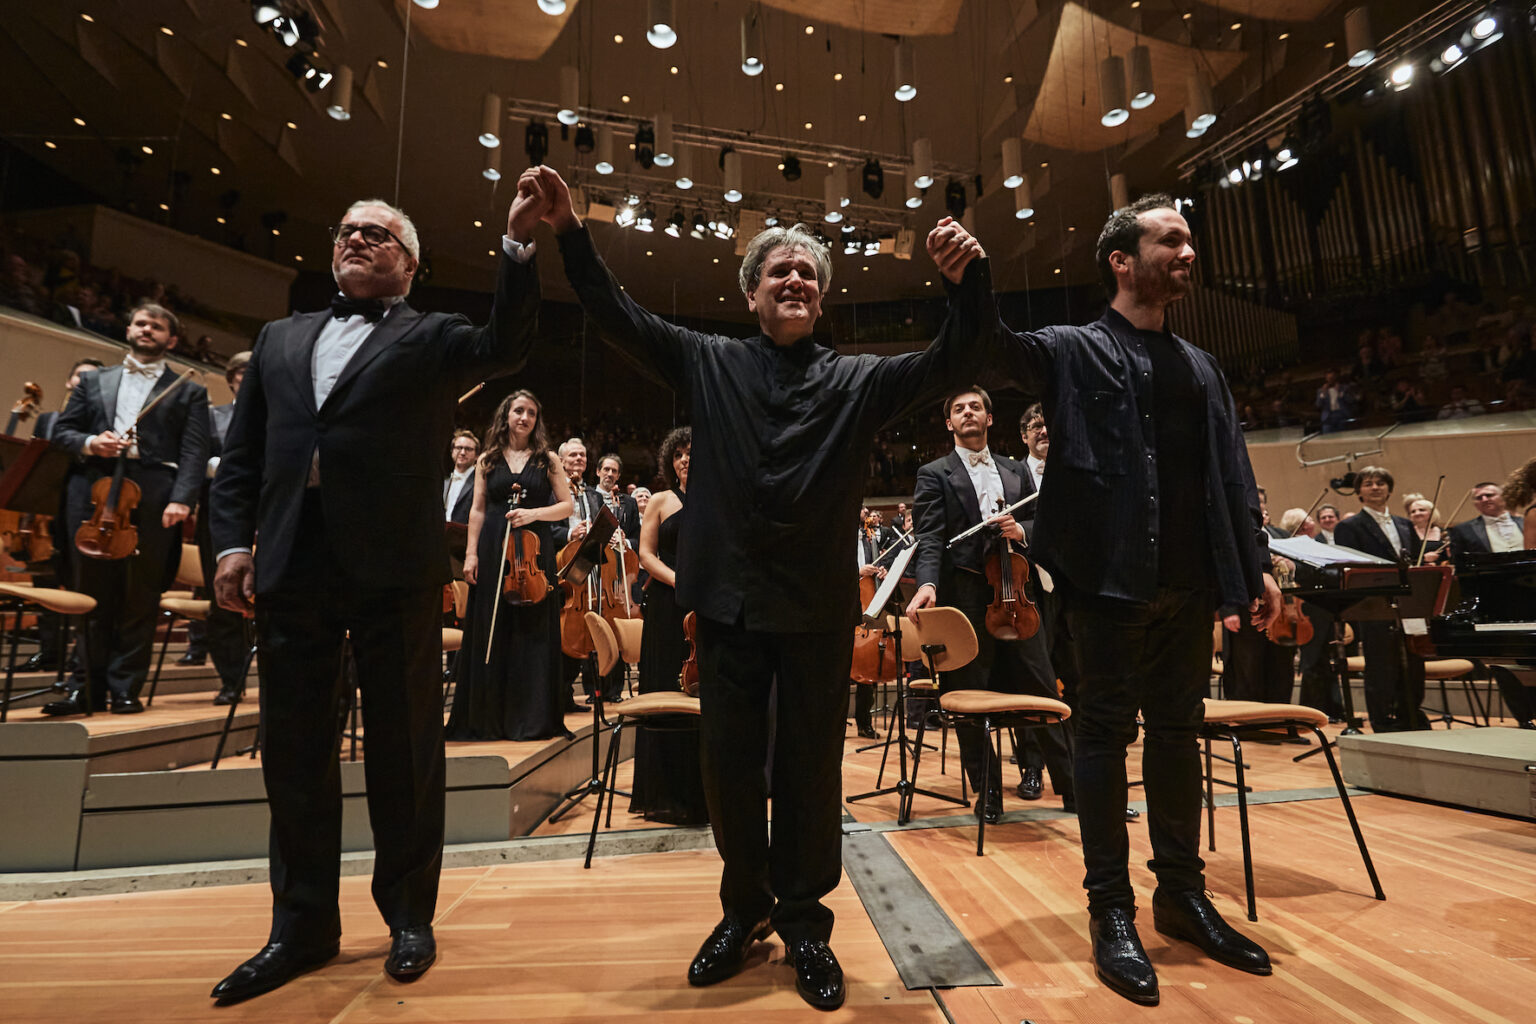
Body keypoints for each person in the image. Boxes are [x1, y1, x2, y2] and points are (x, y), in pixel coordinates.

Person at [538, 163, 990, 1011]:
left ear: (820, 301)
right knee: (731, 769)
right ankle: (744, 909)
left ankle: (806, 924)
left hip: (817, 611)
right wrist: (570, 235)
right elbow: (617, 316)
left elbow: (953, 358)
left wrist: (969, 286)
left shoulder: (859, 380)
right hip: (731, 605)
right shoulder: (709, 362)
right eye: (779, 270)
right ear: (752, 295)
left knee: (813, 772)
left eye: (809, 275)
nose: (796, 279)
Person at [206, 181, 545, 1004]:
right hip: (294, 562)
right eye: (349, 232)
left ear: (411, 265)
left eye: (379, 236)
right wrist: (229, 545)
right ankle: (301, 926)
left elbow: (509, 340)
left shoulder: (430, 337)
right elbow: (243, 459)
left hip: (392, 565)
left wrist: (519, 249)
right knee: (294, 753)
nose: (358, 241)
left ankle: (407, 916)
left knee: (403, 749)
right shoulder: (280, 339)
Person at [995, 193, 1280, 1006]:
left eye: (1190, 240)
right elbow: (999, 349)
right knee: (1103, 739)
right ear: (1122, 261)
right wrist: (970, 280)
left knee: (1179, 736)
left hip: (1188, 587)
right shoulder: (1076, 348)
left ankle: (1182, 897)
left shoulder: (1200, 365)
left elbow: (1230, 472)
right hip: (1111, 583)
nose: (1187, 252)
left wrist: (1253, 562)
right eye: (1171, 241)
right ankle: (1110, 911)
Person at [905, 387, 1074, 820]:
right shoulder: (934, 474)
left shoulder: (1017, 471)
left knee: (1043, 693)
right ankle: (989, 793)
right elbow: (929, 539)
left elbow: (1043, 522)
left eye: (975, 406)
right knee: (967, 698)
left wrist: (1022, 533)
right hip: (964, 599)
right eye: (958, 408)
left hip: (1017, 596)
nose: (967, 413)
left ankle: (1075, 791)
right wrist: (927, 584)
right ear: (949, 423)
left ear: (990, 418)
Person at [45, 303, 209, 716]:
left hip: (153, 490)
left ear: (171, 340)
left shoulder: (188, 389)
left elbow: (194, 450)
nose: (146, 329)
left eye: (157, 325)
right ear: (129, 329)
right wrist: (90, 443)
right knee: (89, 592)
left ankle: (124, 688)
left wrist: (182, 498)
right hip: (94, 487)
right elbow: (62, 431)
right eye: (140, 322)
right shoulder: (94, 380)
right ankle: (84, 687)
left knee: (140, 593)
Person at [447, 390, 574, 741]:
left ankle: (530, 718)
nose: (525, 417)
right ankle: (488, 718)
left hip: (532, 553)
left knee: (531, 632)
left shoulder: (547, 459)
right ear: (506, 415)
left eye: (532, 413)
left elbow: (566, 507)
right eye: (519, 410)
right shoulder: (487, 459)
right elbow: (477, 509)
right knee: (493, 628)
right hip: (491, 549)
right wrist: (470, 554)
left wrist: (533, 513)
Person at [629, 426, 708, 824]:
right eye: (678, 454)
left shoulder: (716, 499)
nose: (685, 460)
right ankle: (666, 791)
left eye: (691, 452)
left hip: (707, 607)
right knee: (667, 686)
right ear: (669, 461)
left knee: (702, 695)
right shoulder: (659, 500)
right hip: (667, 604)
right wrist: (681, 581)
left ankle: (706, 791)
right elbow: (645, 554)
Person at [21, 357, 104, 674]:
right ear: (69, 381)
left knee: (79, 582)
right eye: (79, 377)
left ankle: (79, 659)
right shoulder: (49, 419)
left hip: (81, 508)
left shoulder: (100, 426)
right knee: (44, 579)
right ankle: (48, 650)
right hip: (46, 509)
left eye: (92, 379)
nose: (84, 383)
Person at [1333, 466, 1426, 732]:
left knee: (1413, 663)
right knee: (1381, 665)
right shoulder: (1349, 527)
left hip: (1408, 602)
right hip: (1373, 603)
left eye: (1381, 483)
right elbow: (1349, 564)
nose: (1375, 487)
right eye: (1369, 483)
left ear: (1389, 489)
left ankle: (1410, 714)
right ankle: (1383, 721)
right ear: (1359, 492)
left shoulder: (1405, 523)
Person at [1446, 479, 1534, 728]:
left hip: (1531, 597)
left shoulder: (1525, 520)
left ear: (1503, 496)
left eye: (1489, 495)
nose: (1484, 500)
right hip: (1497, 603)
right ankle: (1524, 719)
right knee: (1505, 661)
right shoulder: (1462, 531)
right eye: (1479, 498)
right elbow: (1463, 572)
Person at [199, 351, 253, 704]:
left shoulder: (283, 416)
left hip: (268, 515)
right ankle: (231, 680)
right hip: (220, 517)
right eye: (244, 373)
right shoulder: (211, 417)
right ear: (232, 377)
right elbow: (194, 458)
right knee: (223, 601)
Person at [444, 429, 479, 525]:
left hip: (463, 536)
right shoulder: (444, 479)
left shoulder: (480, 482)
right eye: (459, 448)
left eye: (468, 449)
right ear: (452, 451)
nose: (463, 452)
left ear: (477, 455)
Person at [1402, 492, 1444, 564]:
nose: (1417, 513)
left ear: (1432, 512)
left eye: (1422, 510)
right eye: (1413, 511)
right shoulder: (1405, 534)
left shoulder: (1443, 532)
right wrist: (1423, 558)